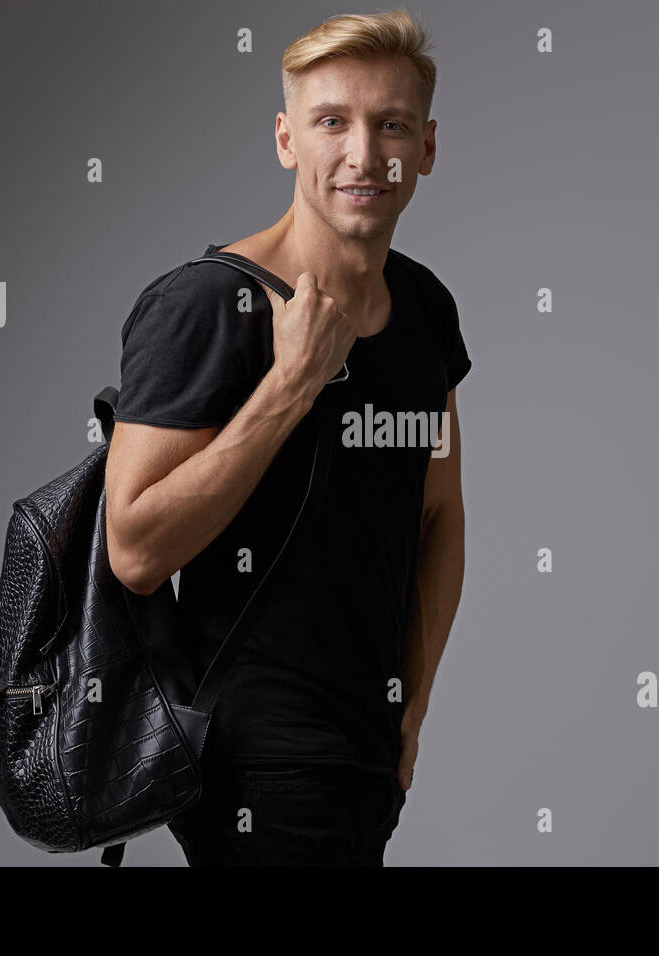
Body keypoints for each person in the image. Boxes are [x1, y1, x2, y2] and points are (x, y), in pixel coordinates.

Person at [104, 9, 469, 866]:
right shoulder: (203, 307)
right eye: (331, 121)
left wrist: (408, 712)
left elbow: (440, 515)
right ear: (285, 140)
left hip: (366, 760)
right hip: (250, 761)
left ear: (426, 147)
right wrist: (293, 382)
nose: (361, 151)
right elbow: (134, 546)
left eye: (391, 124)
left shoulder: (423, 309)